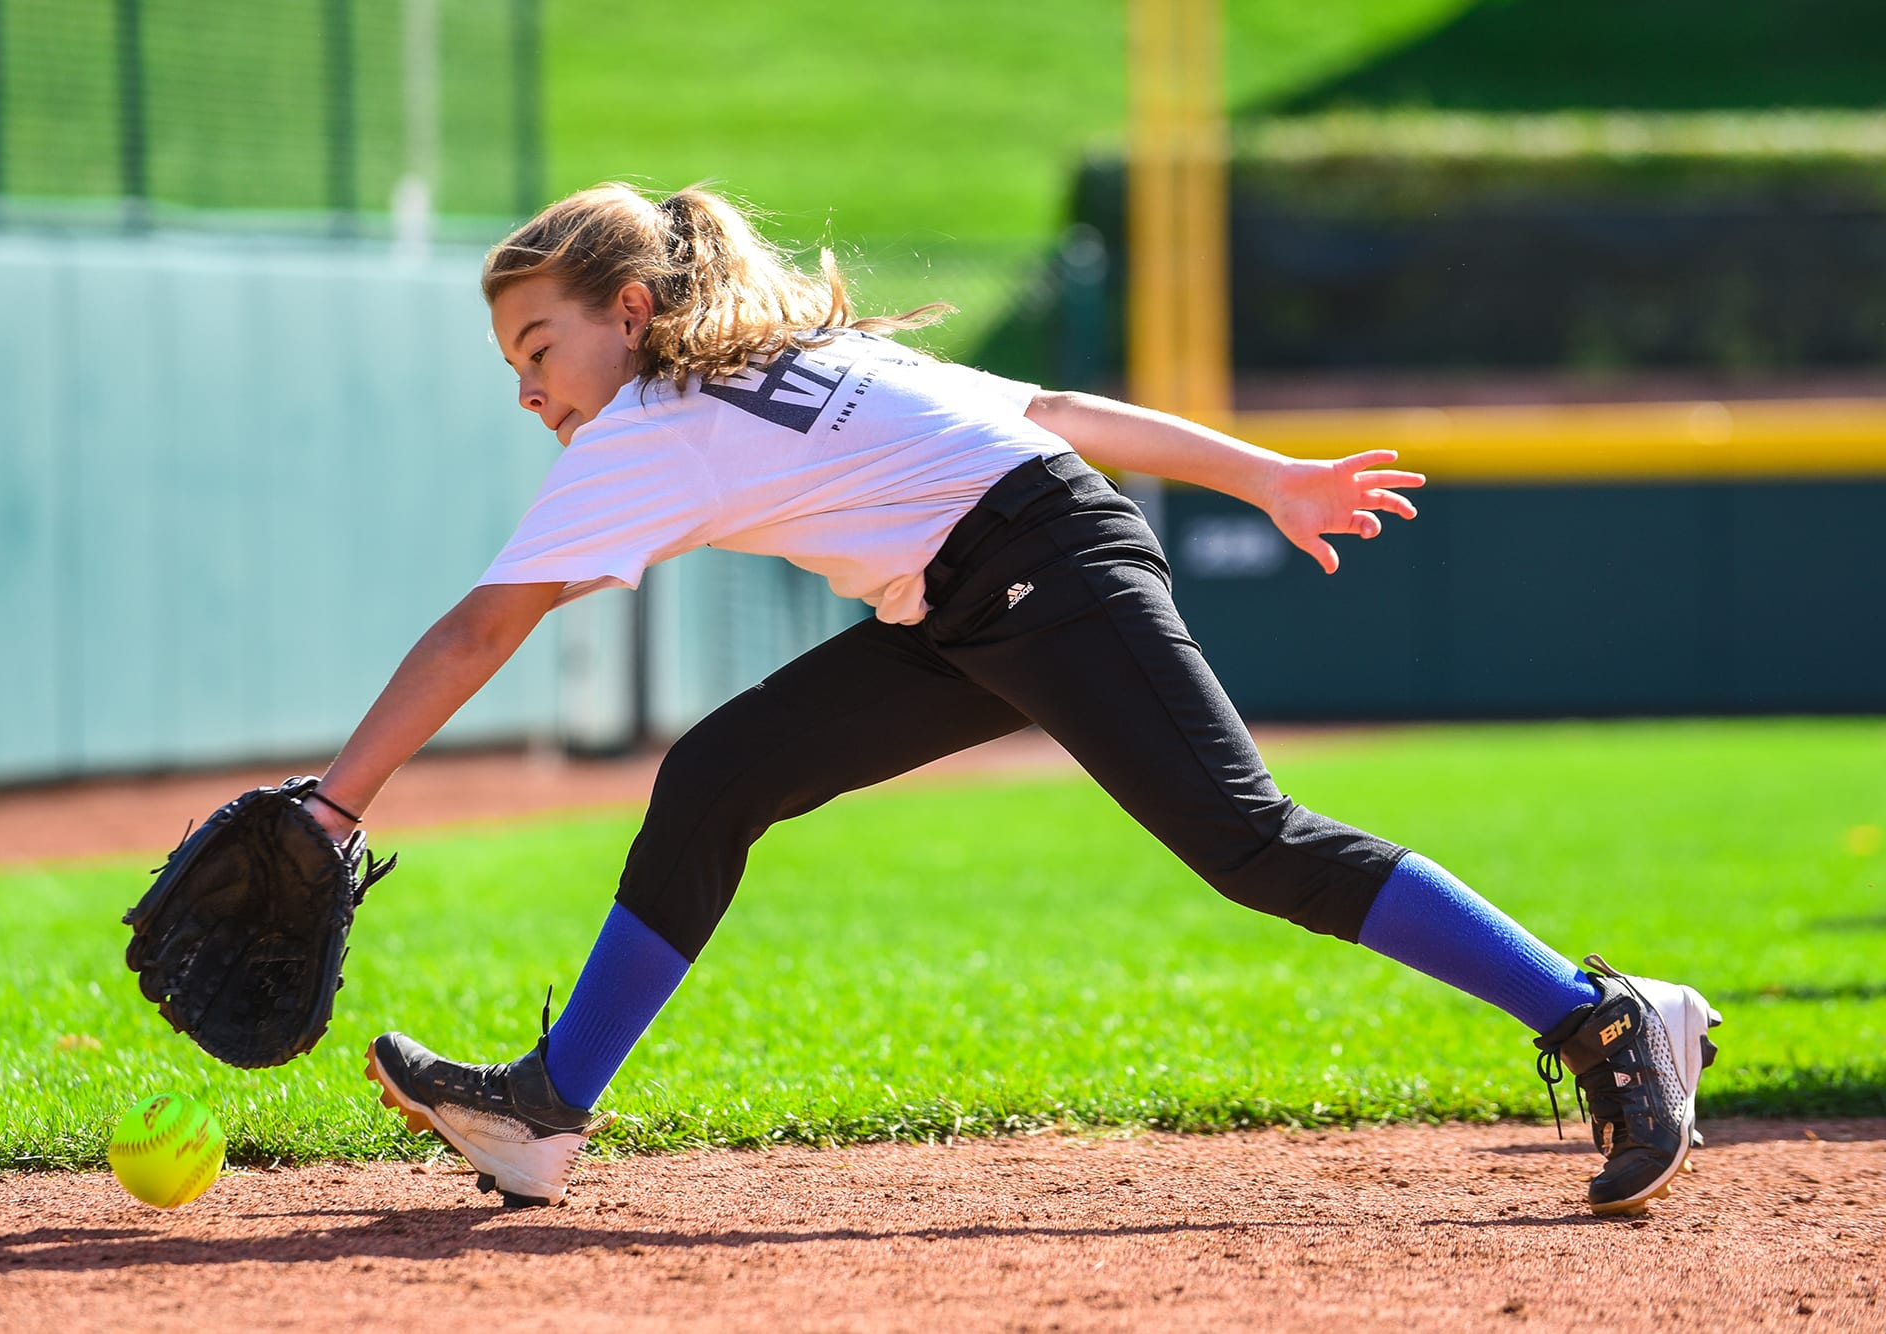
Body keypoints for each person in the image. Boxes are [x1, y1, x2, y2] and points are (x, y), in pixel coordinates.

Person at [304, 182, 1721, 1215]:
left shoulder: (656, 419)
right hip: (977, 586)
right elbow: (1057, 416)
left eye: (538, 349)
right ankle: (549, 1105)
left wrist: (333, 805)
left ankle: (1600, 1013)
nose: (531, 389)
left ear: (630, 312)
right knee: (720, 773)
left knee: (1249, 840)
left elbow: (482, 627)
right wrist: (1265, 474)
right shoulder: (787, 363)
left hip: (1037, 563)